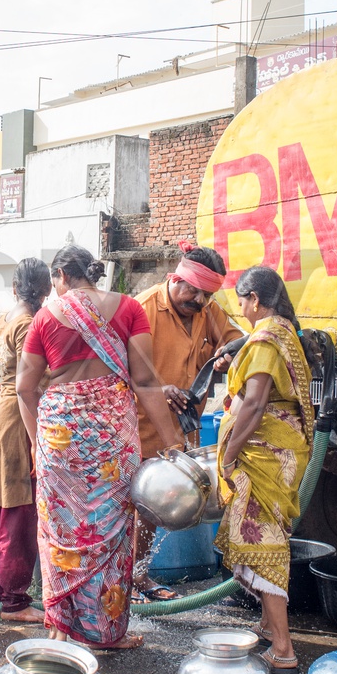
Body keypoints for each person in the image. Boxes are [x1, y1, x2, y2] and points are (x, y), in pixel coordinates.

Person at [16, 245, 184, 650]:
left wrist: (39, 444)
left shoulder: (44, 316)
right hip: (112, 434)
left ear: (60, 276)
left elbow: (25, 388)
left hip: (61, 436)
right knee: (110, 531)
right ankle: (105, 633)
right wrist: (174, 443)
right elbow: (145, 382)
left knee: (61, 532)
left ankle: (62, 627)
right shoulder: (129, 309)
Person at [214, 265, 313, 674]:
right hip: (278, 451)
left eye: (240, 301)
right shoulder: (283, 334)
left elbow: (253, 404)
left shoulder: (267, 340)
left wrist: (230, 454)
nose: (240, 309)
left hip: (264, 454)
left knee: (264, 544)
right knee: (260, 536)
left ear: (254, 299)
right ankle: (271, 628)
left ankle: (285, 650)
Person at [131, 242, 243, 602]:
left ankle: (138, 577)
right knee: (122, 507)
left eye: (206, 294)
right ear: (173, 278)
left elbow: (238, 340)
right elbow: (119, 367)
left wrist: (227, 357)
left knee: (153, 508)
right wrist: (159, 389)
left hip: (179, 430)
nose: (197, 299)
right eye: (191, 290)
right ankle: (113, 584)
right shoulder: (143, 308)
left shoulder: (206, 311)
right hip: (136, 422)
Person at [0, 257, 50, 624]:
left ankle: (8, 595)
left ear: (15, 288)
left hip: (5, 411)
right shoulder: (31, 323)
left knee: (6, 508)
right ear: (48, 289)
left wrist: (5, 379)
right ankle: (15, 603)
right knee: (20, 510)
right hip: (23, 416)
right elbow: (30, 384)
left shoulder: (5, 319)